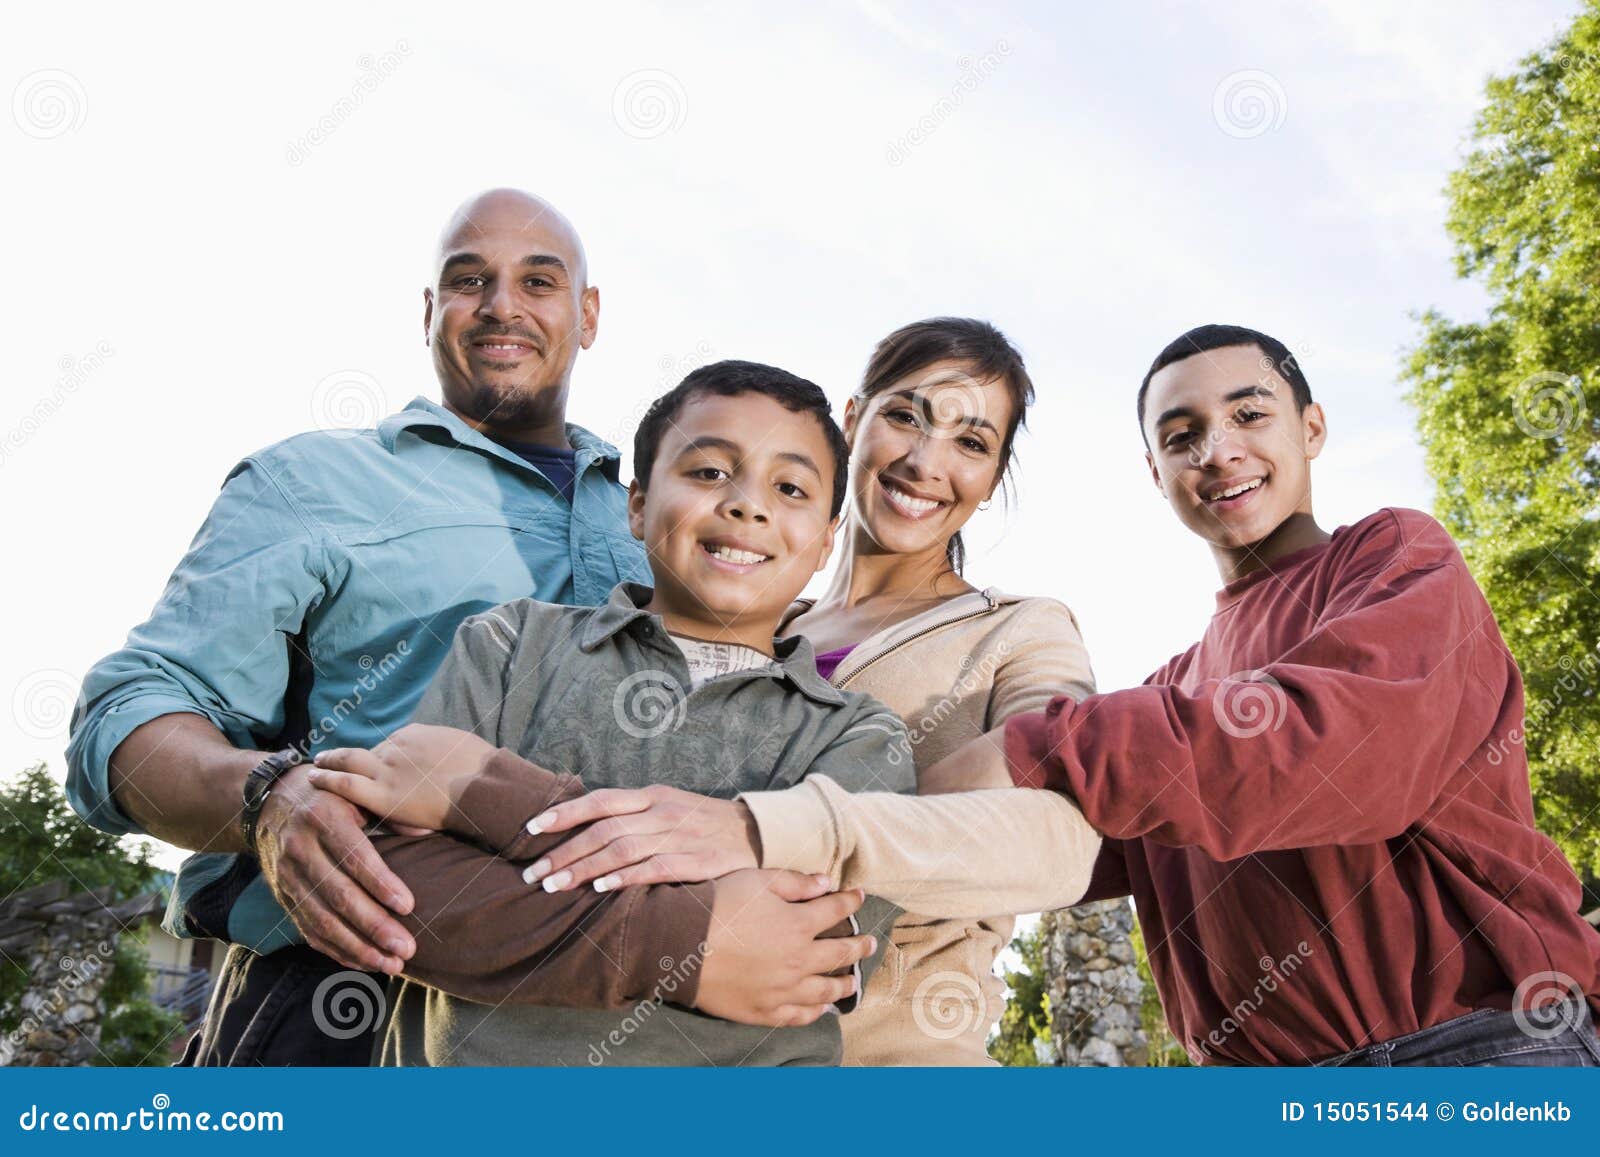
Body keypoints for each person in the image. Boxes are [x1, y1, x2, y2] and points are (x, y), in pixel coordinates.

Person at [579, 322, 1600, 1067]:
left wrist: (1031, 754)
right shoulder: (1180, 683)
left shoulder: (1393, 559)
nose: (1219, 449)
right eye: (1183, 431)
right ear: (1154, 470)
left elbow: (1340, 748)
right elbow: (1087, 834)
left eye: (1248, 412)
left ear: (1312, 425)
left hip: (1471, 1047)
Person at [63, 190, 873, 1065]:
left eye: (539, 280)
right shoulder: (312, 481)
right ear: (429, 311)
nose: (502, 304)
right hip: (348, 982)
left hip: (644, 1020)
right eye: (468, 279)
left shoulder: (682, 502)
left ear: (588, 314)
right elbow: (127, 719)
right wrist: (269, 798)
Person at [497, 319, 1107, 1064]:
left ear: (993, 475)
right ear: (853, 420)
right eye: (904, 416)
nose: (924, 461)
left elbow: (1059, 847)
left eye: (971, 443)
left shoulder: (1022, 633)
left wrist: (768, 827)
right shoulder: (743, 613)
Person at [313, 360, 914, 1065]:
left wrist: (486, 794)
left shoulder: (863, 740)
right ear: (636, 502)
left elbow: (808, 956)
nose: (748, 505)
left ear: (825, 541)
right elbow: (392, 892)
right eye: (709, 472)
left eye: (789, 488)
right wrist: (695, 939)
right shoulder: (512, 643)